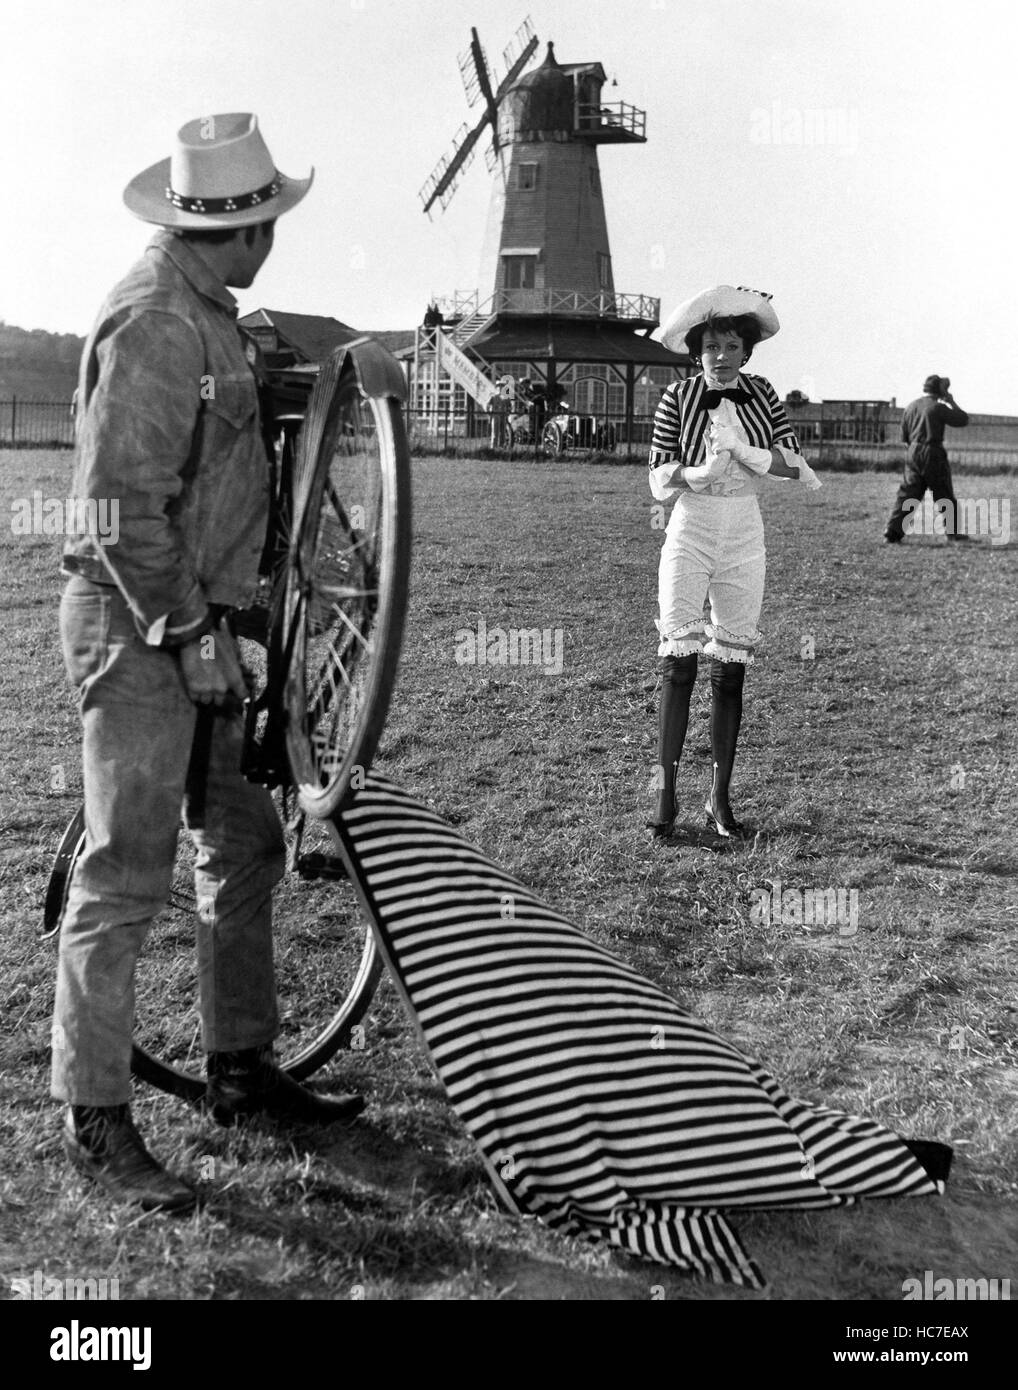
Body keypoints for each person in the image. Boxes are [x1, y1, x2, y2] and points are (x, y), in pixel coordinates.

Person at [54, 113, 363, 1216]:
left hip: (214, 629)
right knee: (124, 870)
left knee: (241, 843)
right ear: (245, 230)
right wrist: (185, 634)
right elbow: (110, 508)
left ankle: (239, 1071)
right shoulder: (153, 321)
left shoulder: (216, 318)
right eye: (269, 220)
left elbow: (230, 451)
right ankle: (97, 1116)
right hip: (142, 626)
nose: (275, 236)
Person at [647, 285, 821, 840]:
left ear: (745, 351)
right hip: (692, 524)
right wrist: (689, 475)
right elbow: (657, 477)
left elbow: (795, 466)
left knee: (730, 671)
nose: (720, 355)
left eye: (730, 345)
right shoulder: (677, 397)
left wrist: (752, 455)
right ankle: (666, 795)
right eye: (710, 346)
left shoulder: (763, 394)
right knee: (679, 662)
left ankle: (719, 799)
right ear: (696, 352)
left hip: (744, 530)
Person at [884, 375, 970, 542]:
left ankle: (892, 531)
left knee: (908, 494)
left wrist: (914, 452)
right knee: (943, 492)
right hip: (932, 452)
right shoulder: (938, 407)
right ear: (940, 390)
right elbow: (962, 419)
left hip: (913, 452)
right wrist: (951, 401)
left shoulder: (910, 407)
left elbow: (905, 438)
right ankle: (953, 532)